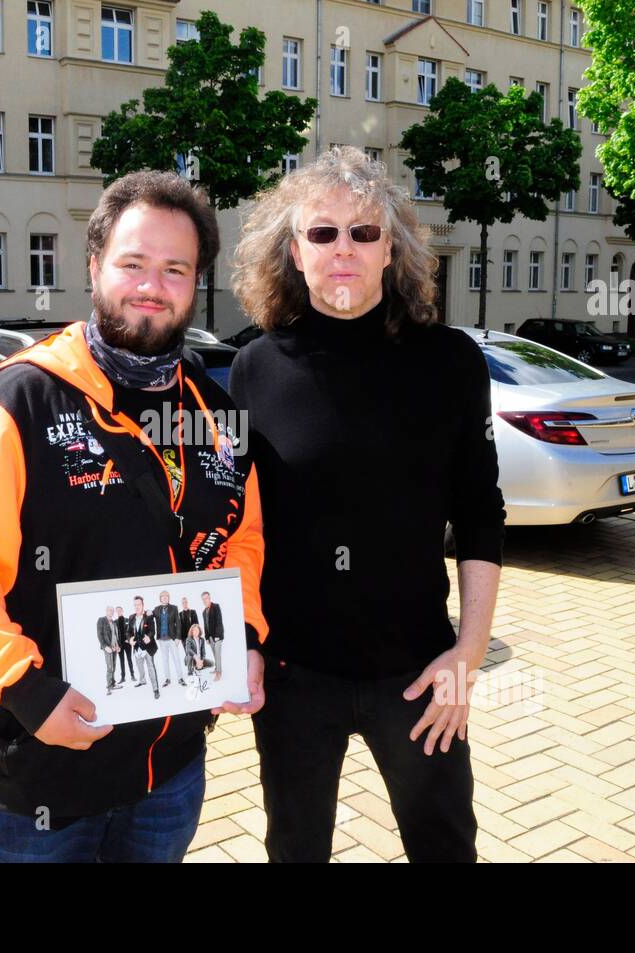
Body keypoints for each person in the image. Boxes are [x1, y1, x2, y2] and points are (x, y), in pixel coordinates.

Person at [0, 170, 267, 864]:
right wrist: (25, 688)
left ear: (197, 284)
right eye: (133, 263)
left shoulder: (216, 418)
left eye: (175, 269)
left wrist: (245, 635)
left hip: (165, 776)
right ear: (96, 265)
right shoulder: (17, 402)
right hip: (35, 775)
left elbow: (239, 540)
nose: (151, 286)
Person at [229, 146, 504, 862]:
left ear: (392, 248)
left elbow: (481, 512)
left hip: (417, 670)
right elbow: (235, 524)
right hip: (293, 676)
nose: (342, 248)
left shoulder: (449, 362)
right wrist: (246, 646)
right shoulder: (254, 367)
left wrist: (465, 658)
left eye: (364, 232)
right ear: (295, 250)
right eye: (322, 233)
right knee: (294, 847)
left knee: (445, 846)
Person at [154, 591, 185, 687]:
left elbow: (178, 623)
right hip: (162, 639)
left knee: (176, 659)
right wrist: (148, 612)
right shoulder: (156, 609)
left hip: (172, 638)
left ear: (168, 598)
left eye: (166, 597)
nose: (164, 598)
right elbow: (150, 616)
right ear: (160, 598)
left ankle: (180, 678)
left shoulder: (174, 608)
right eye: (163, 597)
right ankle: (167, 678)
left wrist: (178, 637)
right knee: (165, 660)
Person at [130, 596, 160, 697]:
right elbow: (128, 632)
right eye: (135, 605)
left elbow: (152, 630)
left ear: (143, 605)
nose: (137, 607)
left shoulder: (148, 616)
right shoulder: (131, 617)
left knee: (151, 668)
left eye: (139, 604)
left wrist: (149, 637)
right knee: (139, 667)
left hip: (148, 648)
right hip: (137, 648)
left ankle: (155, 689)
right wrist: (129, 639)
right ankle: (142, 680)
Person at [200, 591, 225, 680]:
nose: (205, 600)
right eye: (203, 599)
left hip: (217, 636)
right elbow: (205, 625)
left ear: (209, 598)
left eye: (206, 598)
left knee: (218, 654)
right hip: (210, 637)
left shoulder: (216, 606)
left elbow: (219, 621)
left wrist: (218, 635)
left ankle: (219, 672)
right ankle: (217, 668)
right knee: (215, 654)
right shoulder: (203, 612)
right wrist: (206, 637)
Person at [98, 606, 121, 694]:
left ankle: (113, 683)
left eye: (112, 611)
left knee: (114, 666)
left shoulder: (114, 622)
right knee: (109, 667)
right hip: (107, 648)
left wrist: (118, 645)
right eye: (109, 610)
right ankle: (108, 687)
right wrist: (104, 646)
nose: (111, 612)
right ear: (106, 611)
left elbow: (115, 635)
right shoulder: (101, 620)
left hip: (114, 647)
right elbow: (99, 635)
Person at [114, 604, 135, 685]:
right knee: (121, 661)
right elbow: (114, 634)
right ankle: (123, 677)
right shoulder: (114, 622)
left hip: (127, 643)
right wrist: (116, 644)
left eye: (120, 610)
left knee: (129, 659)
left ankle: (132, 675)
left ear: (122, 611)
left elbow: (131, 631)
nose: (119, 611)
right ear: (116, 612)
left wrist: (129, 640)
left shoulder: (127, 620)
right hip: (119, 645)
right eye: (117, 611)